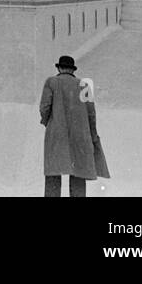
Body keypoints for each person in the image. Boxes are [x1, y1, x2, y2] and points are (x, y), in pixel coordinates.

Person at [40, 54, 109, 196]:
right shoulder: (84, 85)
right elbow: (91, 113)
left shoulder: (51, 82)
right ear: (73, 70)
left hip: (57, 135)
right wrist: (92, 134)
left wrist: (49, 122)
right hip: (80, 135)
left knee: (54, 173)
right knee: (78, 171)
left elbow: (44, 107)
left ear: (59, 68)